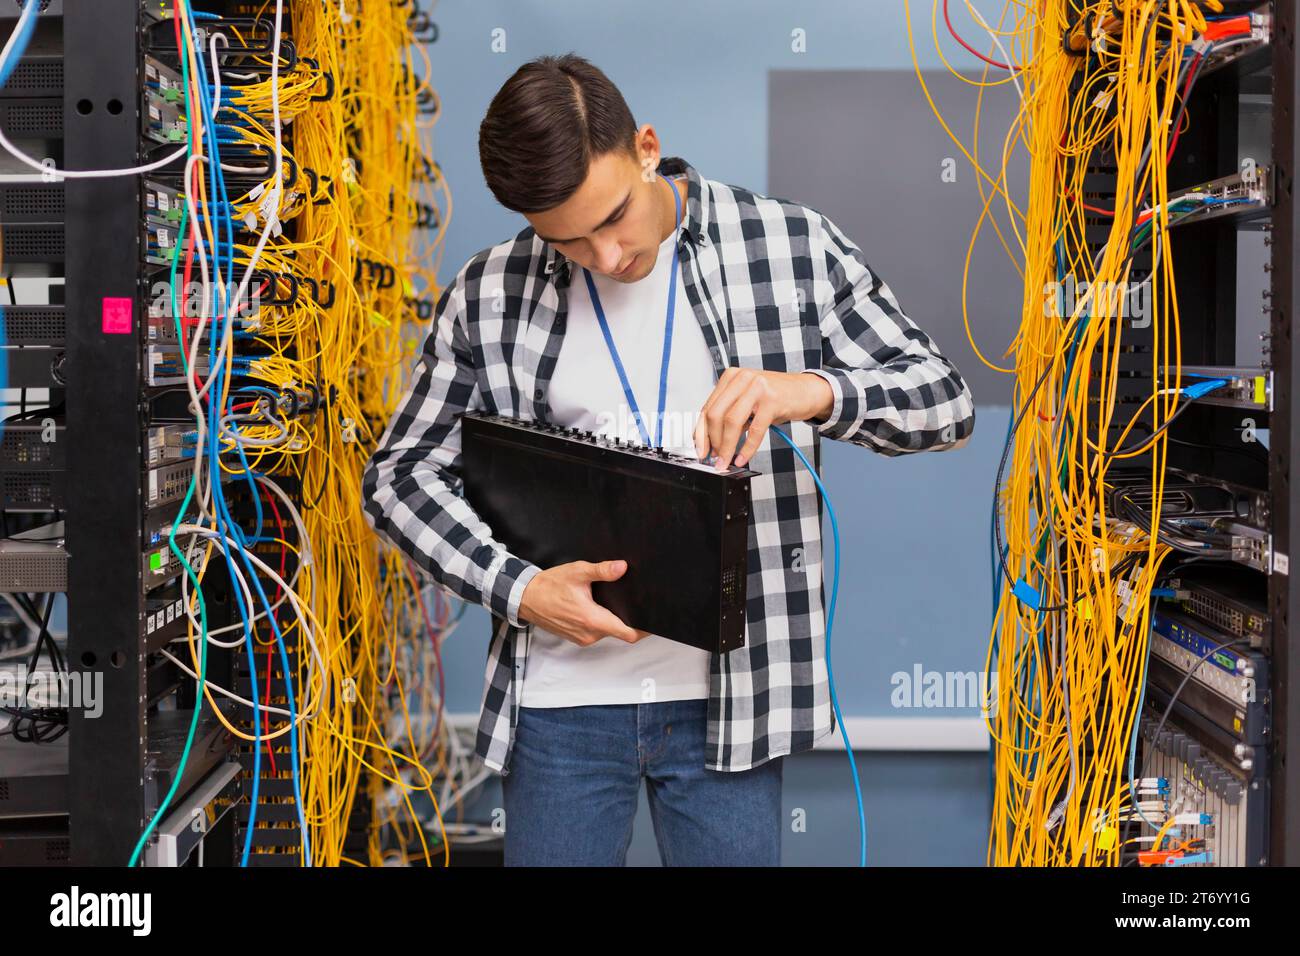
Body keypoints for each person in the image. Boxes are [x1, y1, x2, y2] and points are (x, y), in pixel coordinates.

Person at [362, 53, 975, 866]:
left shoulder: (789, 244)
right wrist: (522, 590)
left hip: (735, 699)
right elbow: (399, 477)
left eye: (615, 217)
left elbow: (945, 402)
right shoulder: (489, 292)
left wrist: (813, 391)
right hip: (558, 708)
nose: (608, 257)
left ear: (647, 146)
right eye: (570, 241)